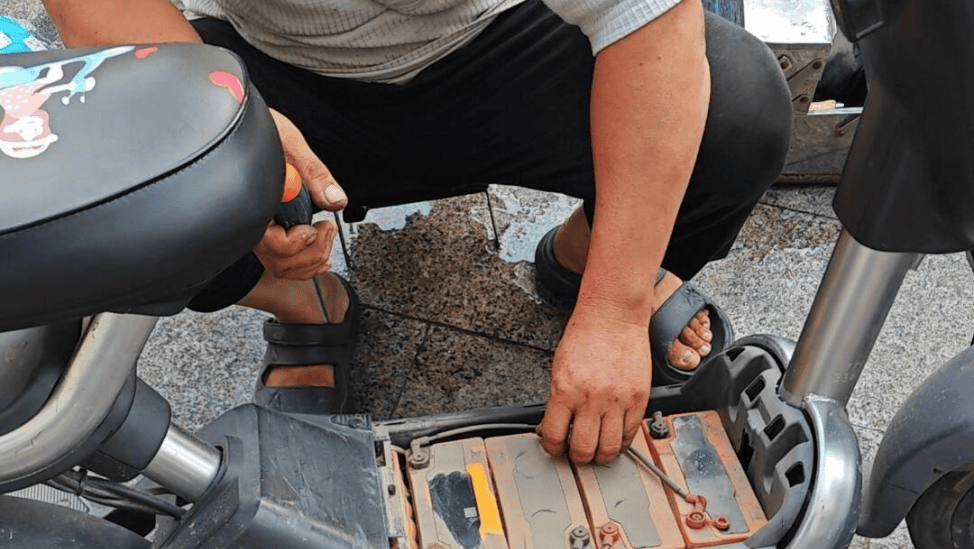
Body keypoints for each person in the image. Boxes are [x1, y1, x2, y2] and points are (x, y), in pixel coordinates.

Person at [42, 0, 791, 465]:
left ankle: (585, 260)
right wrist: (237, 131)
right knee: (119, 170)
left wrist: (615, 308)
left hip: (494, 36)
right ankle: (309, 303)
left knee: (737, 111)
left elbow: (652, 19)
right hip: (279, 68)